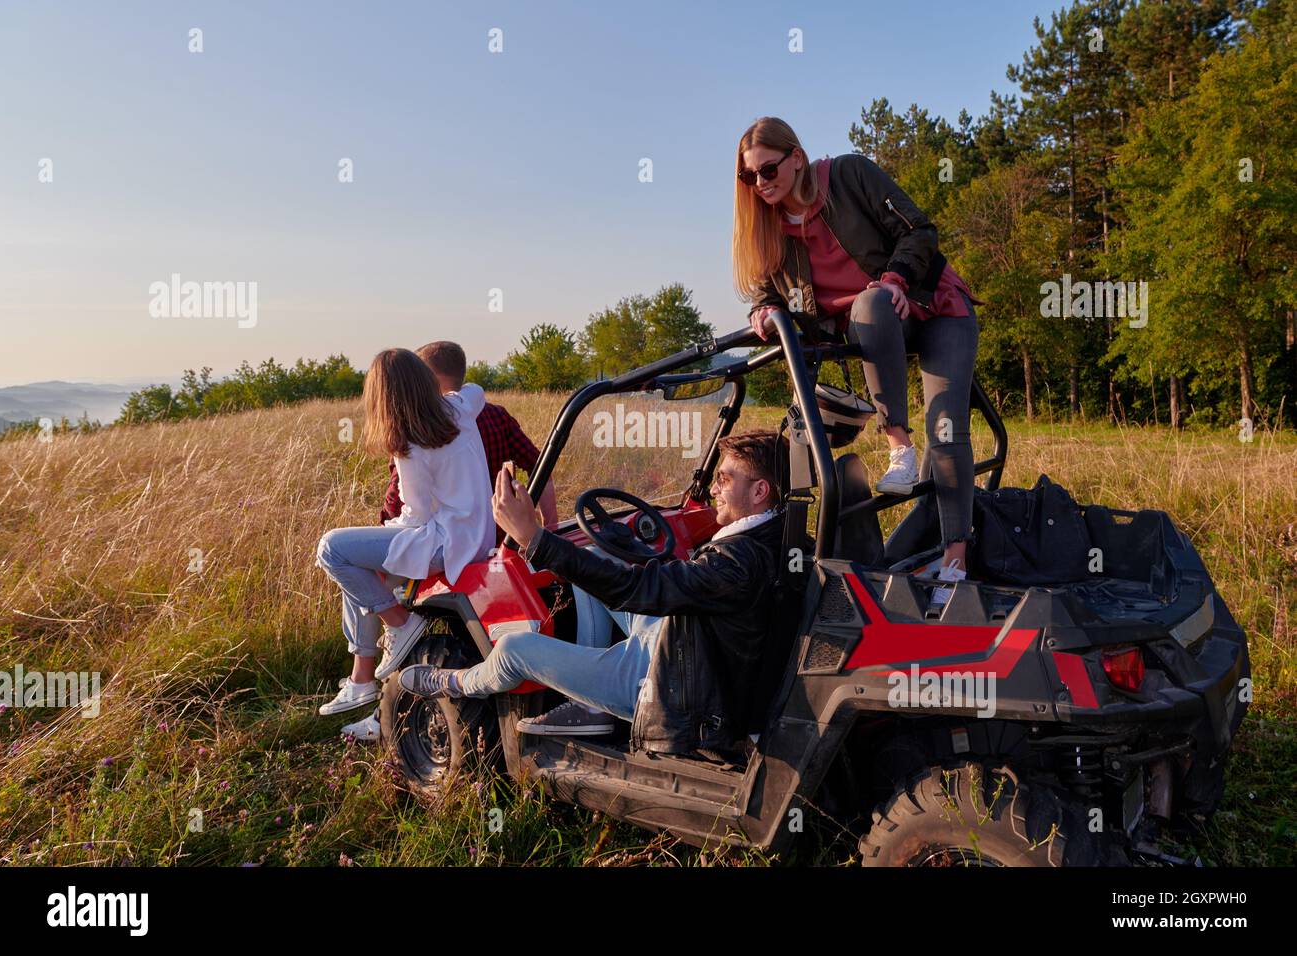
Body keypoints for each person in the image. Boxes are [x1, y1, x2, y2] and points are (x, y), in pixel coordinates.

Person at [398, 432, 785, 753]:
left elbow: (638, 587)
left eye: (725, 479)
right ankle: (588, 702)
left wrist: (533, 538)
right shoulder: (772, 536)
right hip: (682, 644)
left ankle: (454, 683)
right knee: (594, 554)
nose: (714, 488)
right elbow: (668, 586)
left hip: (665, 685)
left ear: (759, 491)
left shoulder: (735, 563)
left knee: (515, 650)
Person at [733, 116, 982, 606]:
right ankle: (880, 529)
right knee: (866, 310)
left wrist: (894, 279)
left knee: (947, 424)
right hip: (874, 329)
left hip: (932, 304)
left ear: (797, 158)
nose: (760, 183)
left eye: (767, 169)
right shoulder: (769, 232)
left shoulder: (848, 176)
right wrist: (764, 311)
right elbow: (765, 291)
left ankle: (953, 563)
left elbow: (920, 231)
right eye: (749, 176)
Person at [316, 348, 494, 722]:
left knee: (333, 549)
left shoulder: (411, 445)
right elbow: (476, 389)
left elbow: (414, 517)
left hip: (447, 544)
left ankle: (400, 623)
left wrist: (384, 533)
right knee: (362, 564)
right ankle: (361, 677)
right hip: (476, 536)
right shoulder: (461, 408)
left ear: (385, 398)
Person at [380, 341, 558, 539]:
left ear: (428, 379)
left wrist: (382, 532)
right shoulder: (497, 416)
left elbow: (396, 502)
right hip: (504, 538)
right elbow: (541, 468)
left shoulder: (419, 427)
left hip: (448, 545)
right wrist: (551, 533)